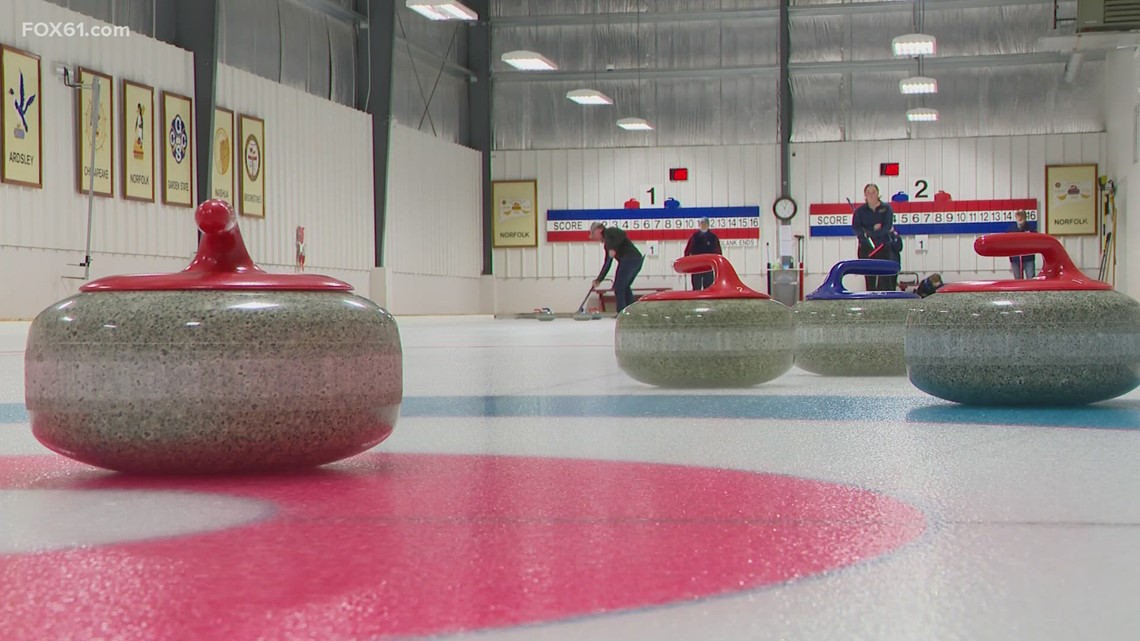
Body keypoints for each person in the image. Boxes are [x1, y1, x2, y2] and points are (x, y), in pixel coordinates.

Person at [851, 183, 898, 291]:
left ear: (878, 194)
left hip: (883, 247)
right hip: (866, 249)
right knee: (869, 279)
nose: (871, 195)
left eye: (873, 192)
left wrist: (870, 232)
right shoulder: (860, 211)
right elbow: (856, 229)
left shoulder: (886, 208)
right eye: (868, 192)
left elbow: (887, 227)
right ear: (865, 195)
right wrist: (873, 229)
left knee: (885, 279)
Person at [590, 222, 644, 313]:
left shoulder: (610, 232)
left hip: (630, 259)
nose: (595, 237)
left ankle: (621, 313)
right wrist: (599, 279)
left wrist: (613, 247)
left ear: (599, 230)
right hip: (636, 260)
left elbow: (621, 234)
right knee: (624, 286)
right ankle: (631, 312)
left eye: (594, 234)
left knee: (619, 287)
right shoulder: (607, 245)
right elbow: (607, 263)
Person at [683, 217, 723, 290]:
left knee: (708, 286)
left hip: (708, 265)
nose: (703, 225)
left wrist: (718, 264)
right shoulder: (694, 236)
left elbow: (718, 251)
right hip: (696, 265)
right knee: (696, 285)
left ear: (708, 225)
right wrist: (686, 262)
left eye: (704, 223)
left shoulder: (713, 237)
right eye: (701, 223)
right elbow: (688, 249)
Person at [1010, 210, 1037, 279]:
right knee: (1017, 280)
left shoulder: (1031, 229)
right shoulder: (1011, 230)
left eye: (1022, 215)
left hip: (1029, 258)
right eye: (1018, 215)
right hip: (1015, 259)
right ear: (1016, 217)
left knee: (1031, 279)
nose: (1020, 218)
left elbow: (1035, 242)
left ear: (1025, 217)